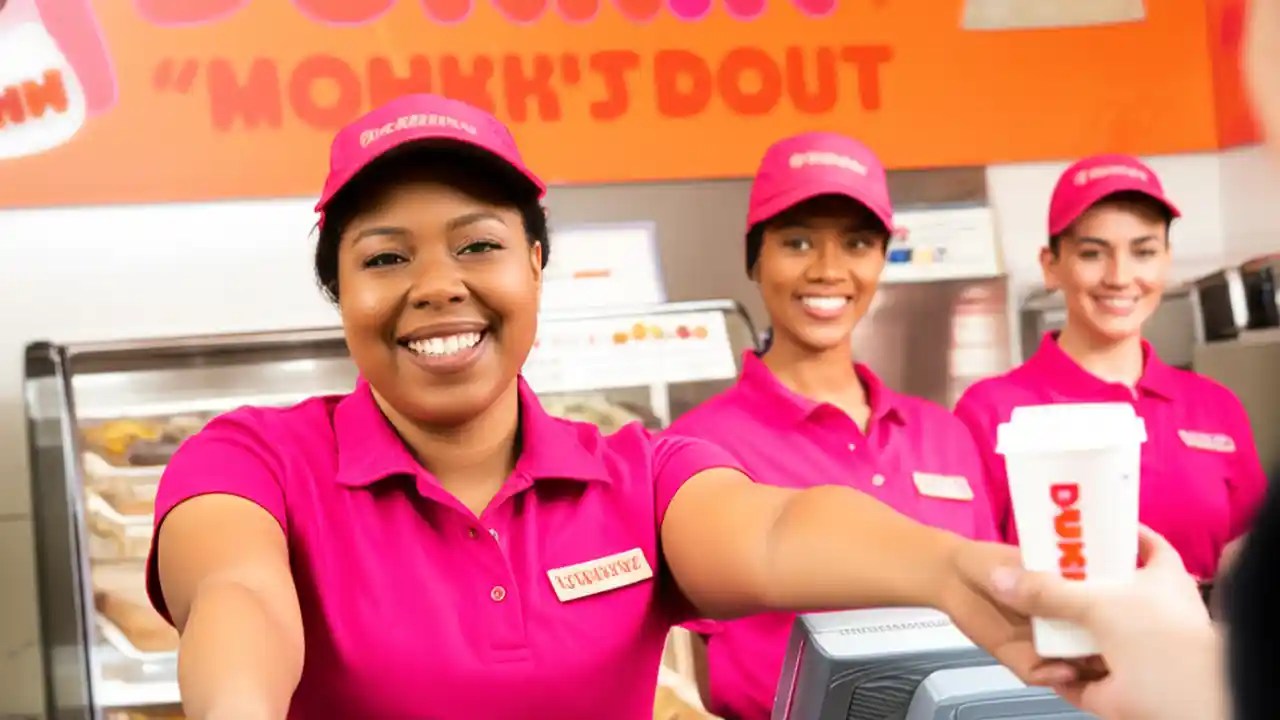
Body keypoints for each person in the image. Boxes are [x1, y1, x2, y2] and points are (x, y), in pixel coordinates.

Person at [145, 94, 1075, 720]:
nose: (437, 286)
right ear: (340, 294)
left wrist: (963, 574)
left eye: (477, 246)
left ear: (536, 266)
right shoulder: (254, 462)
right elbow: (239, 598)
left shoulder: (641, 475)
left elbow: (774, 531)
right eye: (385, 257)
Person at [662, 131, 999, 720]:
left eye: (857, 243)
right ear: (754, 258)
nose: (828, 270)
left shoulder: (944, 435)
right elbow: (679, 673)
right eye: (796, 242)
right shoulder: (693, 450)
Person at [953, 154, 1267, 583]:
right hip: (1056, 649)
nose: (1120, 277)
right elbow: (974, 568)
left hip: (1201, 647)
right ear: (1051, 265)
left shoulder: (1215, 407)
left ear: (1166, 260)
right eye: (1092, 253)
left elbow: (1250, 557)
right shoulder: (992, 411)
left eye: (1144, 252)